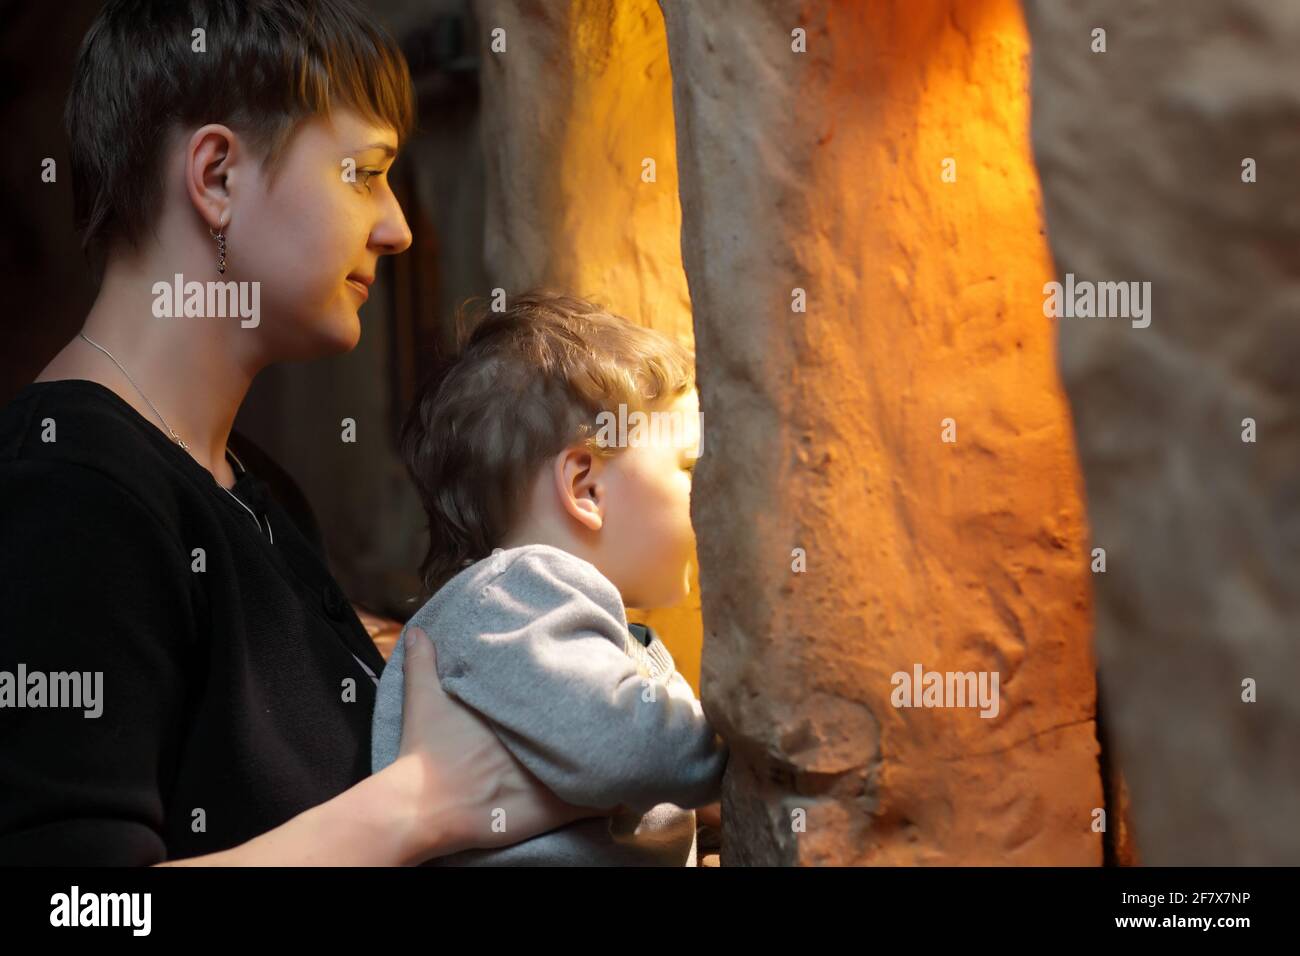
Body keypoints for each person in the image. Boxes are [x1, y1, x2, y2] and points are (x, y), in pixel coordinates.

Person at [0, 0, 598, 865]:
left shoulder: (255, 490)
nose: (396, 229)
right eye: (364, 173)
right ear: (217, 178)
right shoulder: (70, 496)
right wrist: (411, 810)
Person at [371, 293, 727, 865]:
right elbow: (623, 746)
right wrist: (743, 745)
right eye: (688, 466)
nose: (709, 493)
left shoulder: (544, 619)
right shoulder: (514, 594)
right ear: (586, 488)